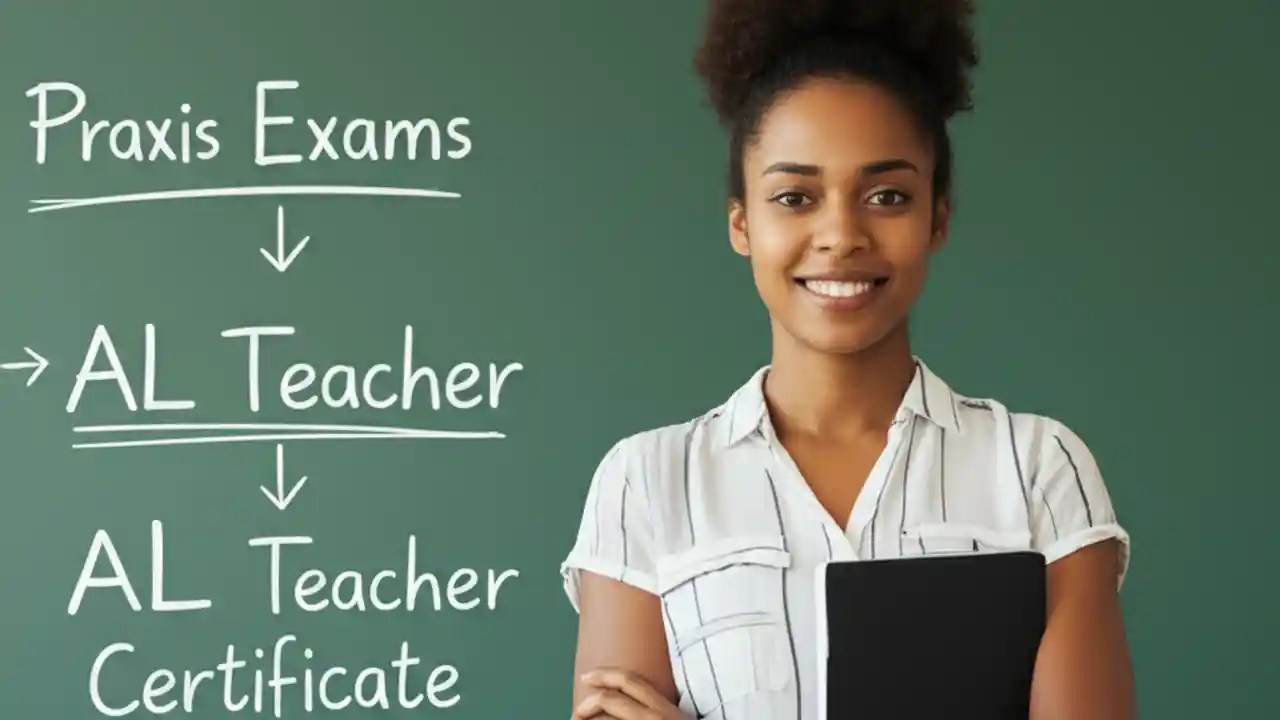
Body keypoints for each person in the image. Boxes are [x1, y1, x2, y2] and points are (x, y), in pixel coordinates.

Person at [559, 1, 1135, 717]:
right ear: (742, 222)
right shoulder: (646, 484)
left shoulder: (1039, 469)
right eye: (795, 197)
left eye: (887, 195)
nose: (840, 234)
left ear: (938, 218)